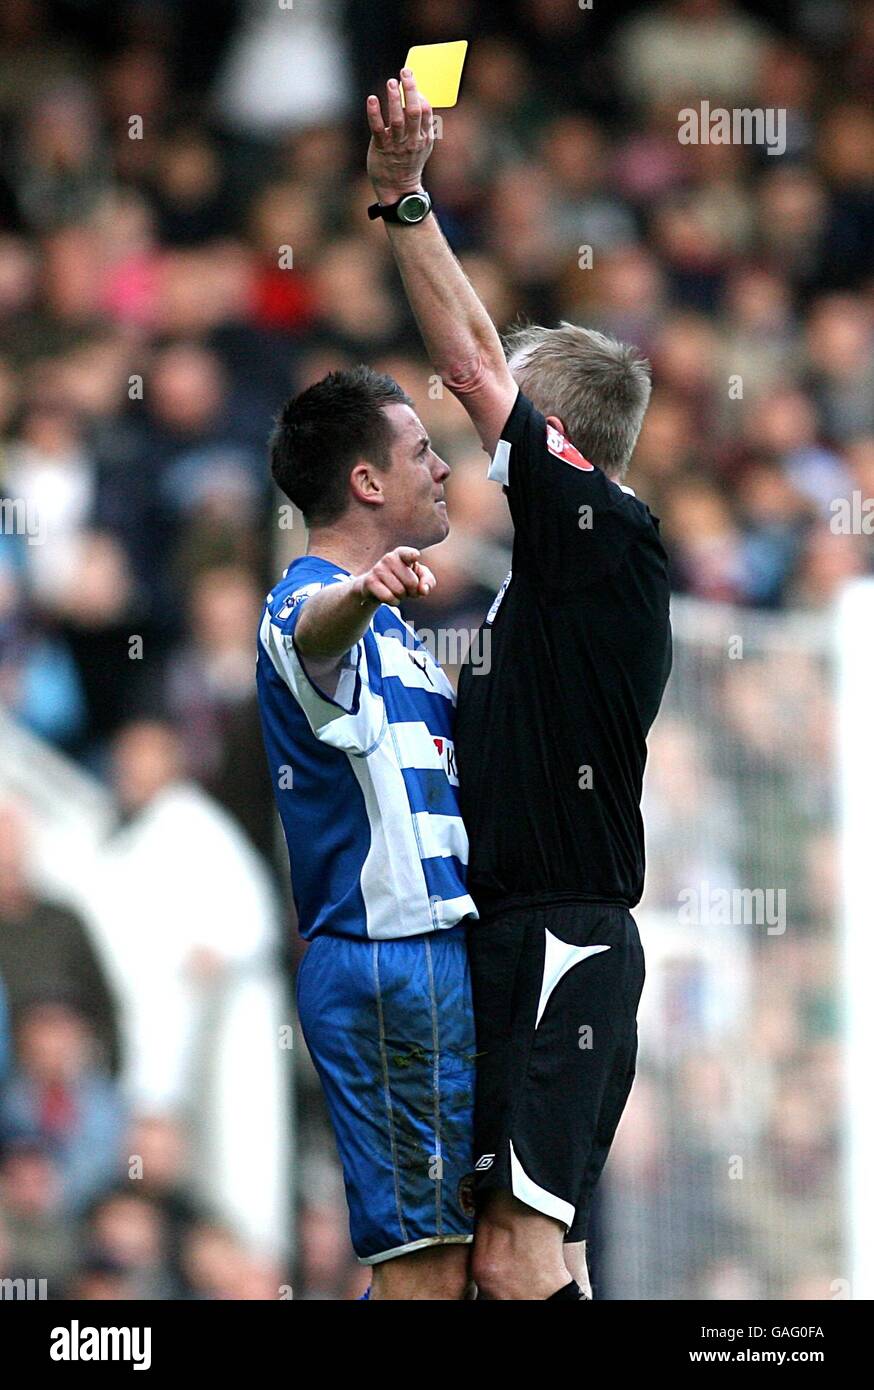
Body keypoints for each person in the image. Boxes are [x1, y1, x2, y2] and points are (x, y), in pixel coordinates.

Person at [366, 69, 672, 1300]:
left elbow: (474, 358)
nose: (460, 415)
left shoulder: (602, 529)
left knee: (512, 1254)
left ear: (553, 440)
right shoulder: (547, 582)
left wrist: (403, 202)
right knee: (514, 1256)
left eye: (497, 422)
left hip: (560, 935)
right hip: (530, 935)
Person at [256, 366, 478, 1300]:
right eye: (423, 450)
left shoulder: (404, 639)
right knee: (425, 1272)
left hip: (437, 965)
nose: (442, 468)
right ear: (367, 483)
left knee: (444, 1264)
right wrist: (366, 591)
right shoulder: (310, 605)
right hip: (389, 970)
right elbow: (310, 629)